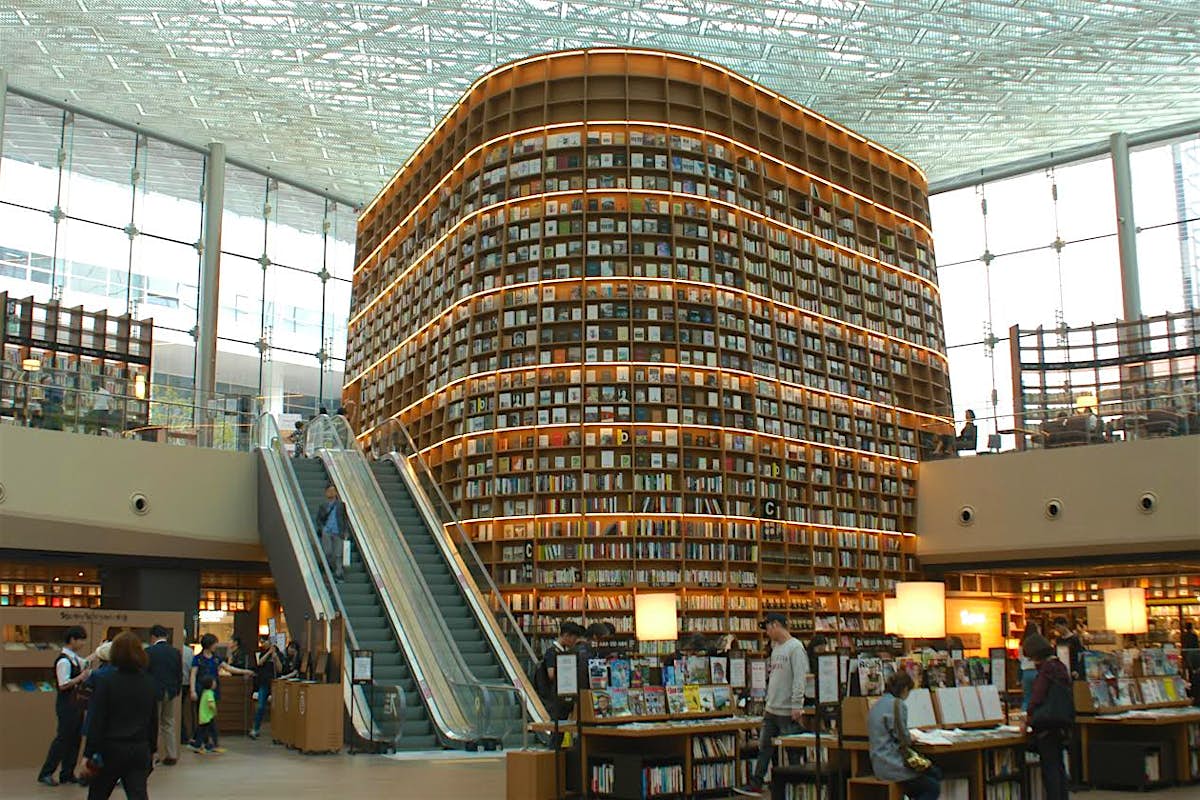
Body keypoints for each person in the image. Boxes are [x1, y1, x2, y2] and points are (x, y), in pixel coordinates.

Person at [735, 612, 808, 797]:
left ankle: (796, 787)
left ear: (776, 625)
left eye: (767, 627)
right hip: (772, 708)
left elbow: (800, 678)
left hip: (787, 710)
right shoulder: (776, 648)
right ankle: (756, 784)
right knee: (764, 748)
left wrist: (797, 704)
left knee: (792, 750)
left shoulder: (795, 647)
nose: (766, 632)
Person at [80, 632, 157, 800]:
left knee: (98, 794)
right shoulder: (149, 682)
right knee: (138, 794)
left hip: (110, 748)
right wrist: (152, 750)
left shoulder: (106, 681)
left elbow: (97, 719)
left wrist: (88, 753)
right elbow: (153, 720)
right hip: (139, 748)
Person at [868, 671, 942, 800]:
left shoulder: (876, 705)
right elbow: (903, 738)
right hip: (894, 765)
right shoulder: (897, 705)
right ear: (905, 689)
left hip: (879, 764)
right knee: (933, 783)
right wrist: (911, 736)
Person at [38, 625, 92, 786]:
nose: (82, 643)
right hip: (67, 704)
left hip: (77, 703)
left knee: (75, 739)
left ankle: (67, 773)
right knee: (63, 738)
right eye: (81, 639)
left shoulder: (75, 658)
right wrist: (81, 677)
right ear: (72, 640)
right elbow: (63, 684)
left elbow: (86, 661)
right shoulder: (63, 660)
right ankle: (46, 772)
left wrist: (101, 651)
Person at [1025, 633, 1073, 800]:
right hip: (1061, 722)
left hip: (1046, 724)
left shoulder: (1046, 670)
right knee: (1059, 766)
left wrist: (1028, 716)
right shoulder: (1060, 666)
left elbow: (1038, 695)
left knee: (1049, 768)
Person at [187, 633, 253, 748]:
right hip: (200, 690)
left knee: (210, 716)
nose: (216, 646)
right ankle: (204, 741)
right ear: (209, 644)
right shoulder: (198, 659)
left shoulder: (216, 658)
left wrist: (244, 671)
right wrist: (192, 690)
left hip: (213, 691)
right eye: (214, 644)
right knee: (203, 717)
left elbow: (228, 667)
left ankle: (204, 741)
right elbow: (193, 674)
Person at [146, 625, 182, 766]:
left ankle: (152, 754)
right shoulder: (175, 652)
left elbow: (145, 673)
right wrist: (176, 689)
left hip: (154, 692)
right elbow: (179, 674)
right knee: (168, 722)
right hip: (171, 691)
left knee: (153, 723)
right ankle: (171, 754)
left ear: (153, 636)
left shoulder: (149, 652)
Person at [535, 622, 586, 721]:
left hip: (561, 697)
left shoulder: (563, 651)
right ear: (566, 635)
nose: (574, 642)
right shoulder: (552, 652)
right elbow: (551, 674)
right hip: (553, 698)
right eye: (573, 639)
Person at [249, 636, 296, 739]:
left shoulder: (279, 655)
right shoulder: (263, 653)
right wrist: (269, 653)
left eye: (264, 642)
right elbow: (260, 662)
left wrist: (275, 657)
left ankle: (278, 731)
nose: (263, 644)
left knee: (278, 708)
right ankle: (255, 729)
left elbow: (279, 669)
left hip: (275, 684)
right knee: (261, 706)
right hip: (264, 683)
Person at [315, 483, 349, 579]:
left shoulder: (341, 505)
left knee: (338, 553)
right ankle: (328, 568)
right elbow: (318, 519)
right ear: (326, 493)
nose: (331, 493)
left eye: (333, 491)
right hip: (327, 531)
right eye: (329, 491)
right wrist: (322, 529)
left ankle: (339, 573)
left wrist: (346, 531)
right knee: (328, 551)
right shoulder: (323, 506)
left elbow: (344, 519)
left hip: (338, 532)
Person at [192, 675, 221, 754]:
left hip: (204, 717)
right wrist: (215, 710)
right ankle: (211, 745)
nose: (215, 684)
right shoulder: (209, 693)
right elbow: (211, 704)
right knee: (210, 731)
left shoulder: (204, 692)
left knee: (204, 732)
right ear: (210, 685)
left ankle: (203, 745)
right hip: (207, 717)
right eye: (214, 683)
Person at [1019, 622, 1042, 711]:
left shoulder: (1022, 643)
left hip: (1026, 671)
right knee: (1038, 696)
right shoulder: (1039, 642)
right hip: (1037, 671)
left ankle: (1024, 715)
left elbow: (1020, 658)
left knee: (1027, 697)